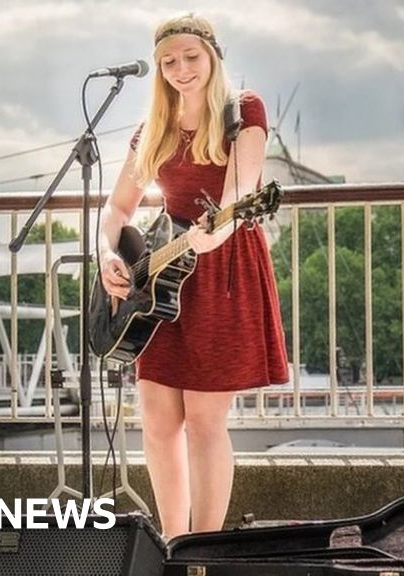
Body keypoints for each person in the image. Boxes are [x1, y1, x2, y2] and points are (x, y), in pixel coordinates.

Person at [96, 12, 288, 538]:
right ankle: (172, 541)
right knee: (157, 423)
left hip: (223, 272)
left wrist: (214, 234)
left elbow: (240, 192)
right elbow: (115, 211)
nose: (181, 70)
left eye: (191, 58)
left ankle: (202, 551)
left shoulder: (243, 111)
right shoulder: (152, 129)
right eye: (169, 62)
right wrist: (106, 255)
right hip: (159, 275)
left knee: (205, 421)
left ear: (213, 56)